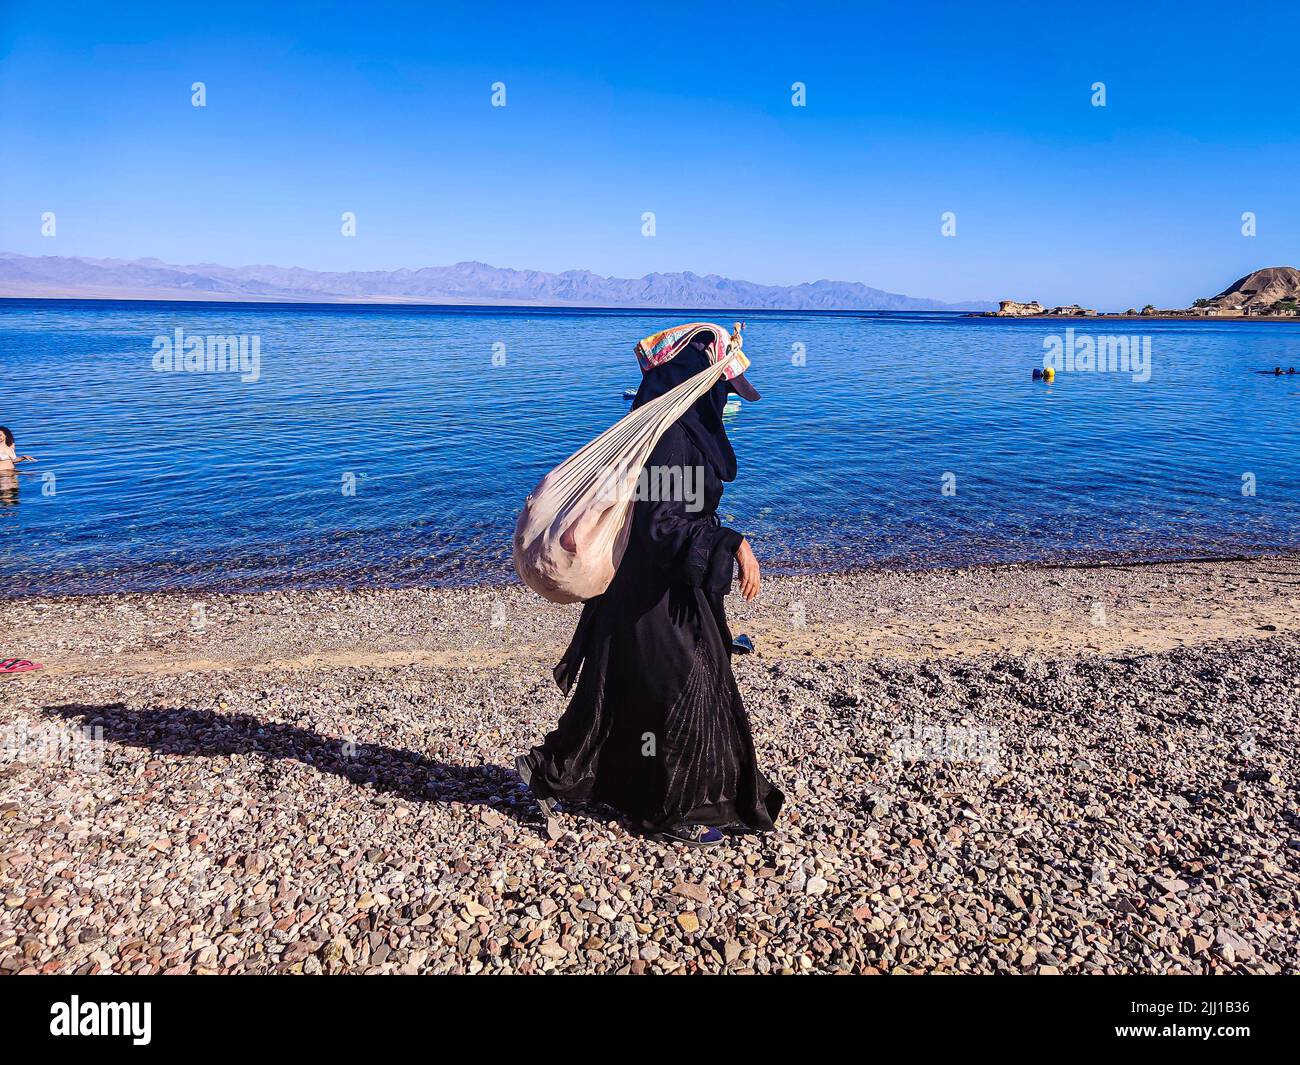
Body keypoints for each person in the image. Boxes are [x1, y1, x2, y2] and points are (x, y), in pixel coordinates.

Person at [516, 325, 783, 847]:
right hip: (651, 595)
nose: (726, 400)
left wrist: (717, 538)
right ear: (693, 382)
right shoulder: (671, 439)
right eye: (722, 389)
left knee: (626, 689)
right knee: (685, 688)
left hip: (652, 587)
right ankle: (677, 807)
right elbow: (663, 524)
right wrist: (734, 544)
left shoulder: (670, 428)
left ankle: (560, 773)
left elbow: (675, 513)